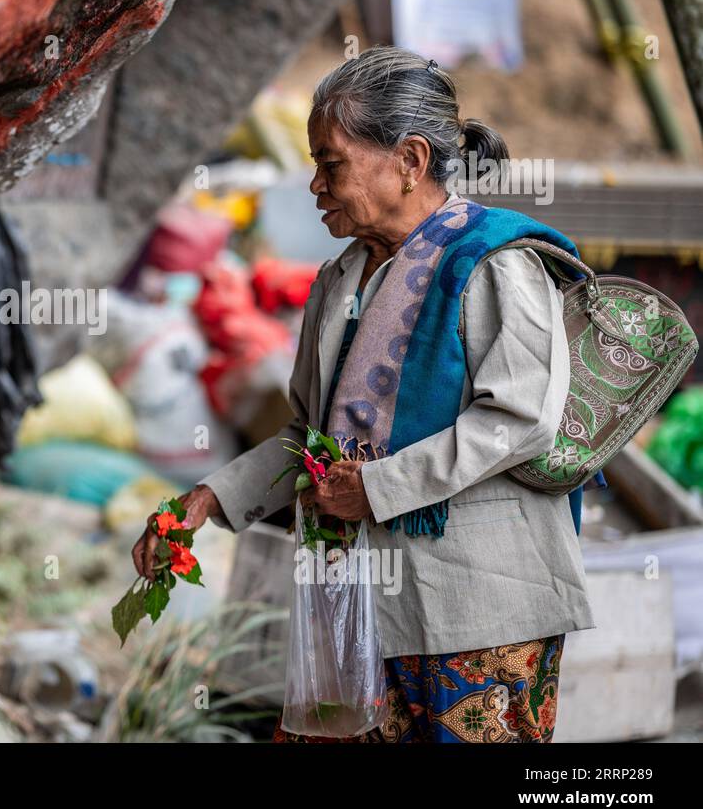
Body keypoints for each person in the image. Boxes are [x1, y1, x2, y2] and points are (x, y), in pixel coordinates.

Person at [131, 45, 594, 743]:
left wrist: (375, 487)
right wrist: (212, 498)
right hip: (357, 610)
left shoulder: (497, 266)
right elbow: (310, 439)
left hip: (477, 615)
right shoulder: (340, 281)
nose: (315, 183)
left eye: (331, 162)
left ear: (409, 160)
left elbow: (522, 419)